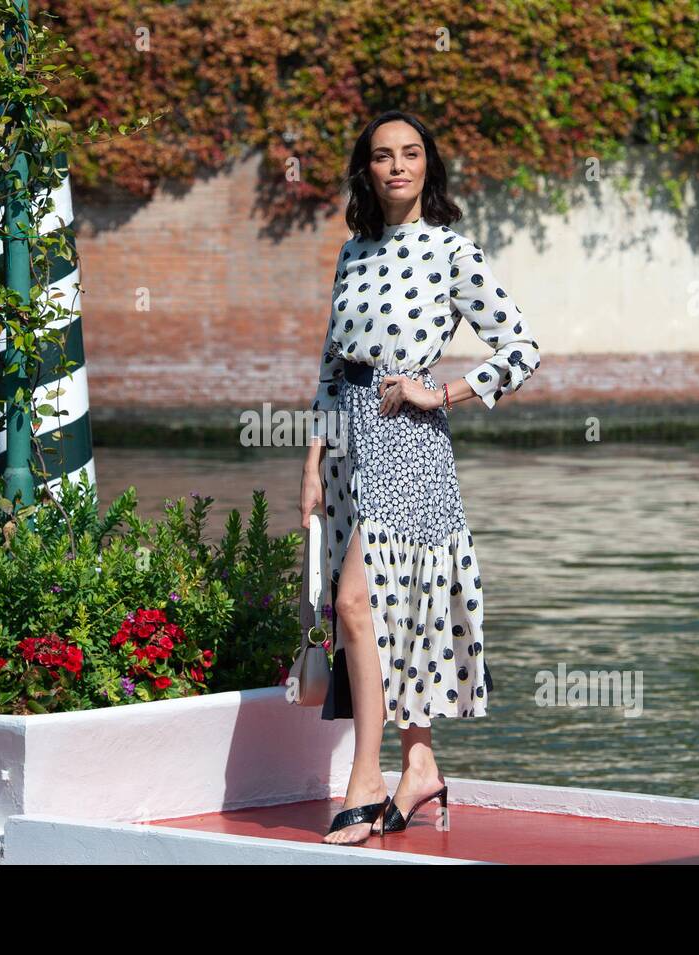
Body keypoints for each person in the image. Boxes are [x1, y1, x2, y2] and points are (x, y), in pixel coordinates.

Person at [300, 110, 541, 846]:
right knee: (392, 609)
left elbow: (523, 347)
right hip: (347, 439)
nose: (397, 166)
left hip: (408, 441)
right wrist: (311, 461)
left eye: (410, 154)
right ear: (365, 170)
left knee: (355, 602)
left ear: (428, 166)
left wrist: (442, 392)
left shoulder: (449, 250)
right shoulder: (352, 254)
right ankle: (421, 763)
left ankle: (365, 777)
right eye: (382, 156)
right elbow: (328, 365)